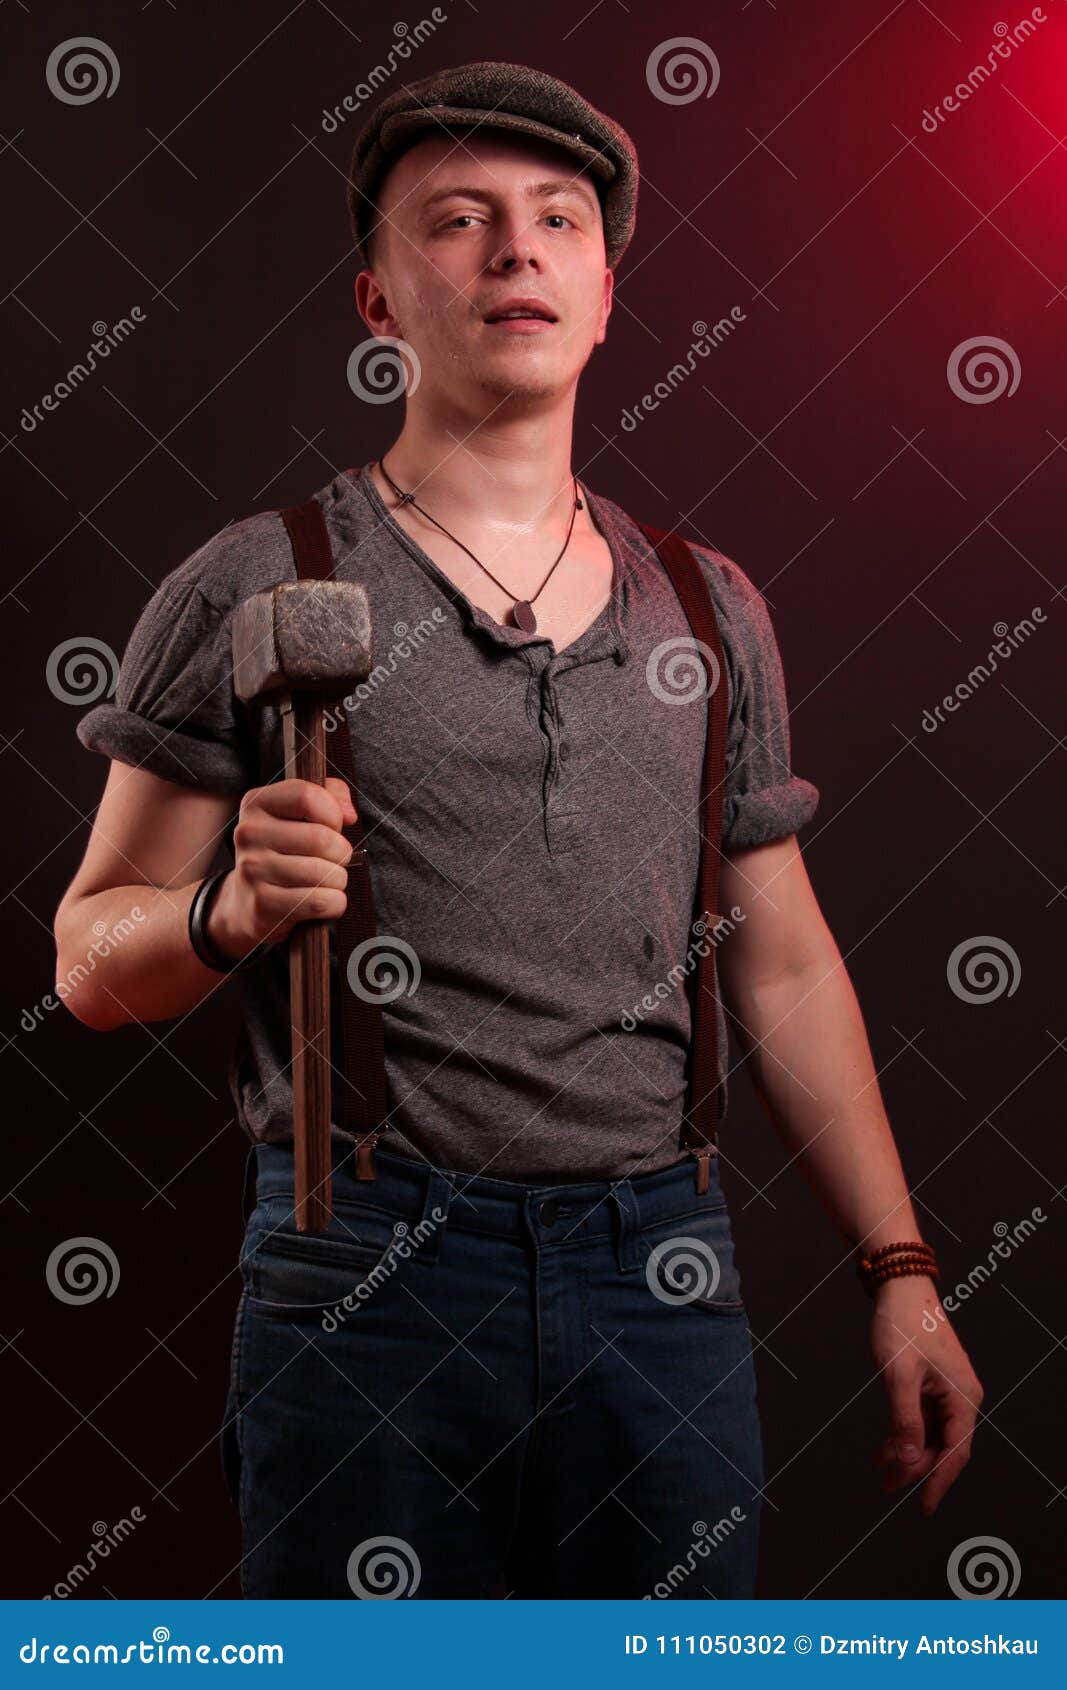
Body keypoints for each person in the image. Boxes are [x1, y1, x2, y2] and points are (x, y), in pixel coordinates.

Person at [54, 61, 982, 1600]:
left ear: (604, 296)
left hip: (660, 1278)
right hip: (365, 1270)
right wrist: (220, 912)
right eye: (457, 219)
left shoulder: (707, 609)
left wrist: (901, 1270)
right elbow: (88, 959)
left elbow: (784, 963)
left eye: (558, 220)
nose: (514, 250)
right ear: (377, 299)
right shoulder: (254, 579)